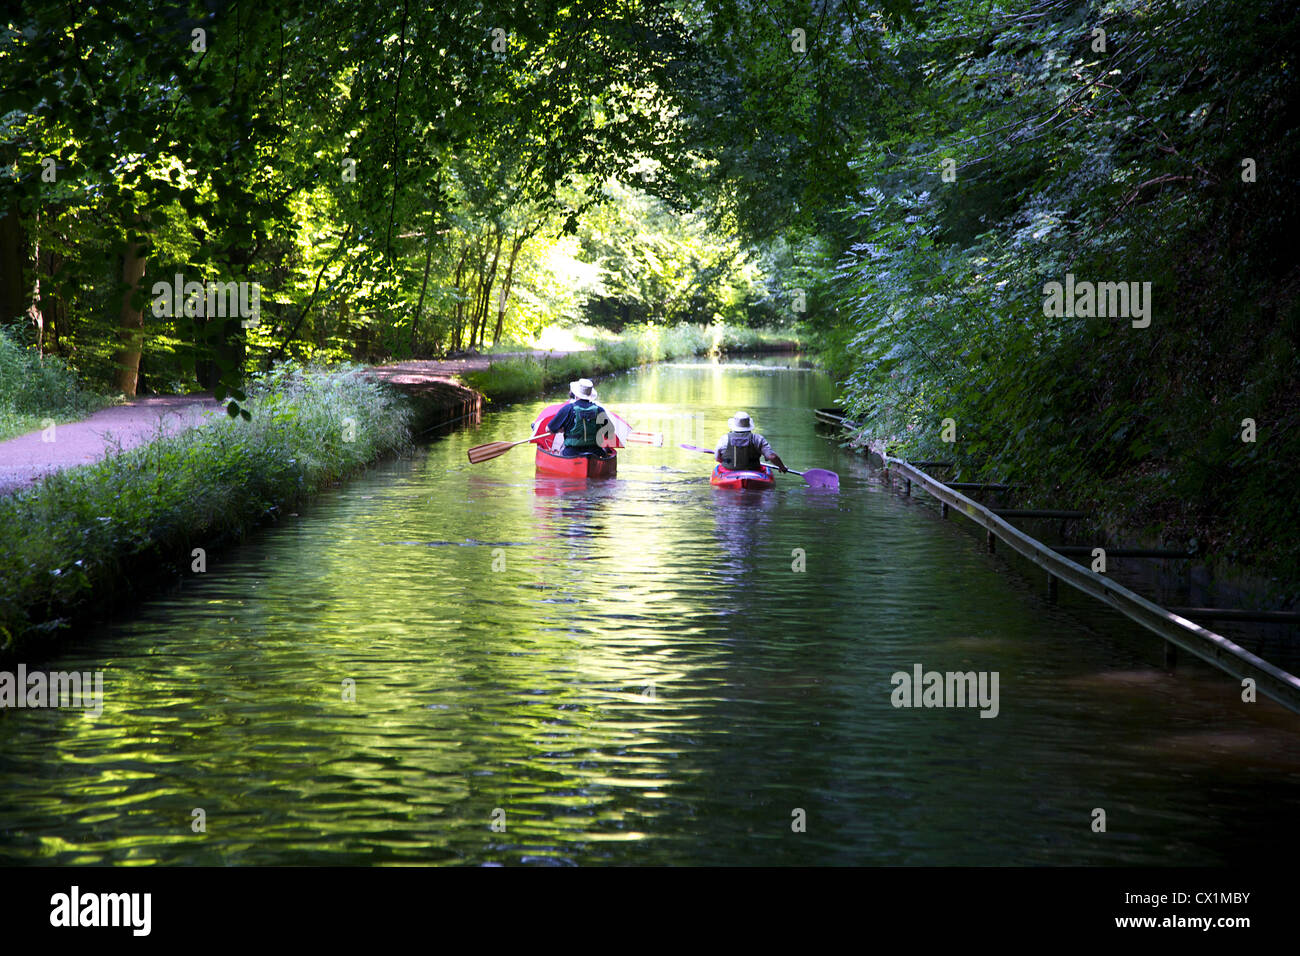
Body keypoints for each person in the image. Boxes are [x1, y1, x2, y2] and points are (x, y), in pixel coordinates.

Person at [546, 378, 615, 458]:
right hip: (595, 453)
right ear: (590, 394)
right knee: (605, 451)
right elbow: (610, 434)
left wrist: (560, 430)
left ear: (576, 394)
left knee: (558, 451)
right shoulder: (599, 410)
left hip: (571, 453)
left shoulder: (568, 409)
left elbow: (548, 429)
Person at [716, 411, 787, 472]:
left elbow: (717, 458)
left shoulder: (724, 439)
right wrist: (782, 467)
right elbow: (772, 457)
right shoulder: (758, 439)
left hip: (729, 471)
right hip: (754, 471)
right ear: (749, 424)